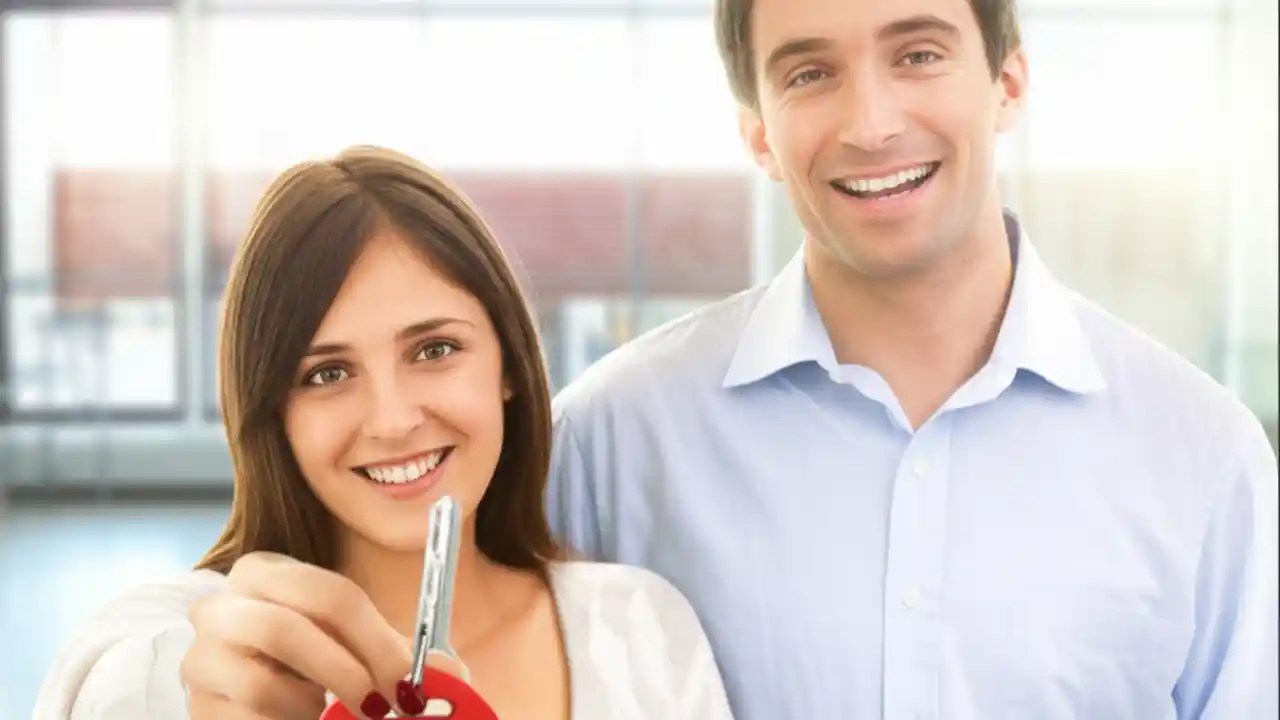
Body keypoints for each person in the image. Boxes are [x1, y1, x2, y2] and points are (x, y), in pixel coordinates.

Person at [546, 0, 1279, 717]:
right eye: (809, 74)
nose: (871, 125)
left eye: (919, 55)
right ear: (758, 135)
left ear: (1009, 84)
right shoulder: (607, 441)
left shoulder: (1206, 454)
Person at [33, 146, 734, 720]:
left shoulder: (640, 628)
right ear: (273, 413)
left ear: (510, 368)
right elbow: (122, 678)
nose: (394, 419)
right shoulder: (186, 645)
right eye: (326, 374)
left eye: (434, 350)